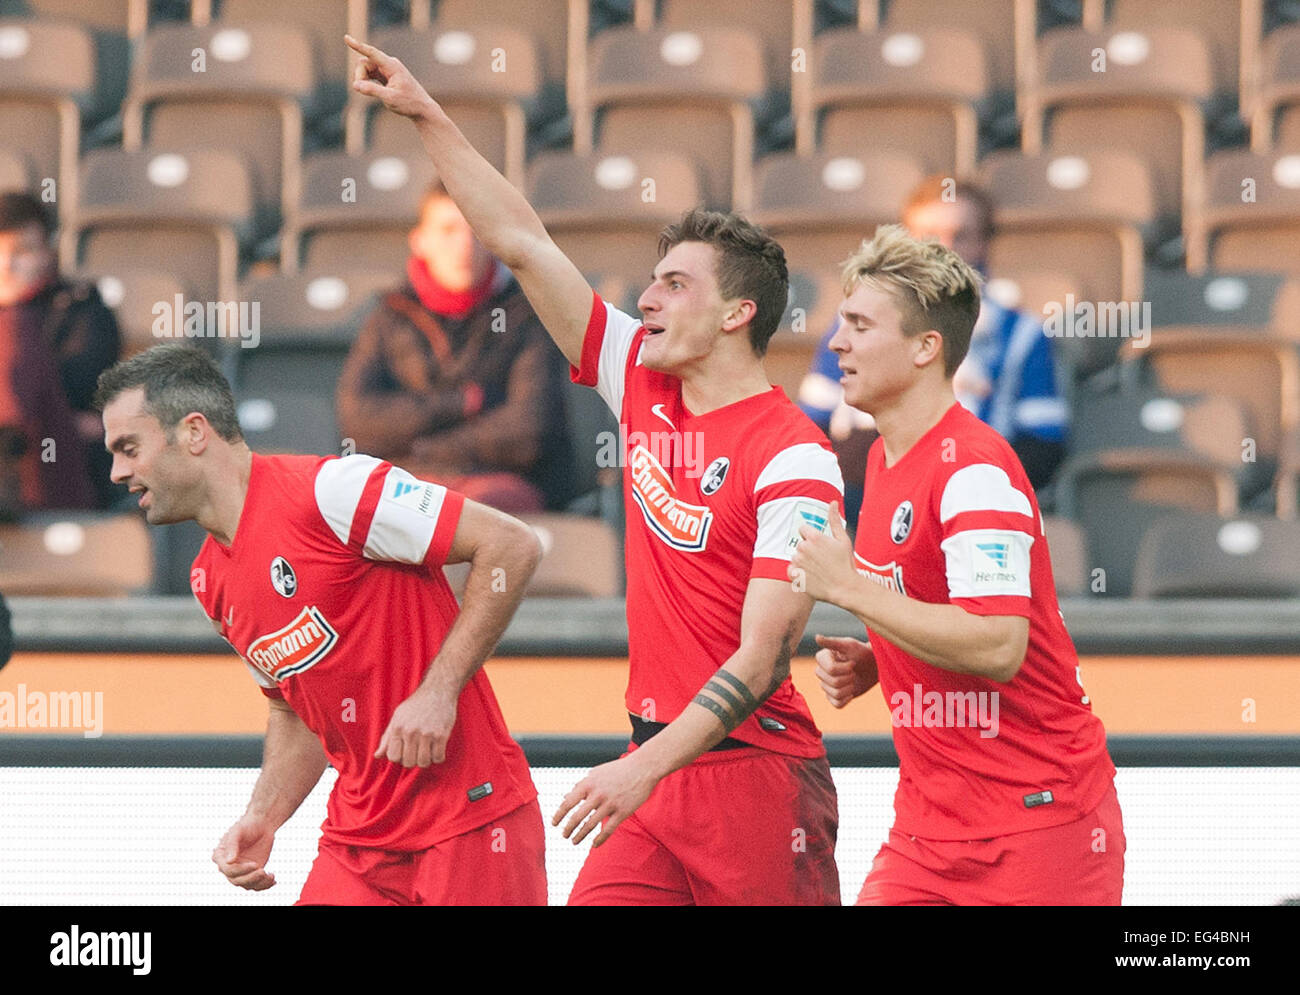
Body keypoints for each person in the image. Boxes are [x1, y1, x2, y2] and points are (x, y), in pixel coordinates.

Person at [346, 34, 843, 905]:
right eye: (651, 280)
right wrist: (429, 117)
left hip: (757, 779)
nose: (647, 298)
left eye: (676, 284)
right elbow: (526, 244)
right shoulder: (639, 379)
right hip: (650, 772)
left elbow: (765, 658)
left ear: (739, 312)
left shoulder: (796, 453)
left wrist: (642, 767)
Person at [95, 343, 547, 905]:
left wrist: (439, 691)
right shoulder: (209, 581)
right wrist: (264, 815)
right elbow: (294, 708)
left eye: (128, 448)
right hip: (359, 843)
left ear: (193, 432)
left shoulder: (333, 492)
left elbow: (512, 544)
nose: (116, 472)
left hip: (472, 821)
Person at [789, 225, 1123, 905]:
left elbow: (998, 642)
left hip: (1038, 825)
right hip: (926, 833)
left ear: (925, 348)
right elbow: (938, 597)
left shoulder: (973, 467)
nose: (836, 343)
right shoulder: (882, 457)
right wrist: (882, 658)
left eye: (858, 324)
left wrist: (852, 589)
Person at [797, 176, 1067, 492]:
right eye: (929, 235)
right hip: (864, 487)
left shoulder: (1022, 332)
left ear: (984, 244)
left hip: (969, 494)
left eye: (961, 235)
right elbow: (810, 427)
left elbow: (1044, 444)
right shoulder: (853, 317)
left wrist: (962, 470)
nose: (945, 249)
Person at [336, 180, 575, 513]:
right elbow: (357, 419)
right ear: (420, 242)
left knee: (456, 514)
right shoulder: (389, 315)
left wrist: (427, 449)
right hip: (403, 485)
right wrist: (465, 402)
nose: (464, 244)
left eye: (475, 231)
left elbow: (529, 430)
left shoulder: (526, 313)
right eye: (448, 230)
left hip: (494, 487)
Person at [0, 192, 121, 511]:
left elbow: (72, 390)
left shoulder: (80, 309)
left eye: (21, 251)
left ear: (48, 251)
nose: (7, 265)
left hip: (58, 474)